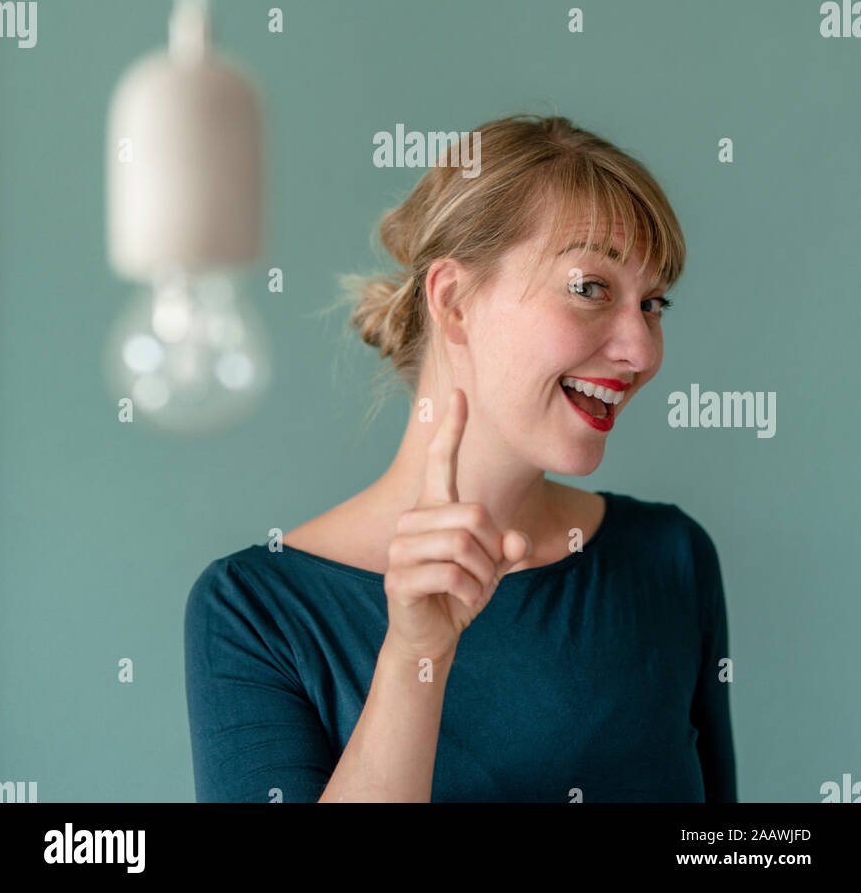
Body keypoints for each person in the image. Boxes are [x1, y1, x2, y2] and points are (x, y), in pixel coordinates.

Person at [184, 113, 737, 803]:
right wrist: (416, 655)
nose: (643, 351)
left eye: (652, 303)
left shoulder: (670, 558)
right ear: (453, 303)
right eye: (590, 287)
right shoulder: (255, 610)